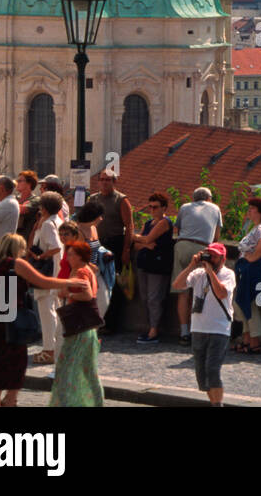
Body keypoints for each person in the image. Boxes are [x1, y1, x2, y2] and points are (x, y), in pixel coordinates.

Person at [0, 233, 86, 406]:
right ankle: (10, 400)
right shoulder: (16, 264)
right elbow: (43, 281)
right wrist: (68, 281)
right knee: (17, 362)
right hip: (11, 320)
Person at [171, 242, 235, 406]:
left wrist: (210, 271)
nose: (211, 258)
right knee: (202, 375)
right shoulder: (198, 274)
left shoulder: (228, 274)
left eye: (214, 256)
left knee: (213, 371)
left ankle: (217, 405)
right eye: (209, 255)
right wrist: (192, 265)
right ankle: (214, 404)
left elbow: (221, 293)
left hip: (219, 329)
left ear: (222, 258)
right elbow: (177, 285)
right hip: (198, 328)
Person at [50, 240, 104, 406]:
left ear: (80, 256)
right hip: (88, 325)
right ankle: (95, 402)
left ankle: (66, 403)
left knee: (66, 367)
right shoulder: (89, 269)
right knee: (88, 369)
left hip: (79, 325)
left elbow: (87, 296)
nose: (67, 258)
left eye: (71, 254)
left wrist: (67, 294)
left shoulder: (80, 272)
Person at [172, 187, 223, 345]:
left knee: (182, 291)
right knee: (201, 290)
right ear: (209, 198)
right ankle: (200, 331)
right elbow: (216, 237)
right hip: (202, 248)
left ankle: (184, 332)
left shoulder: (184, 207)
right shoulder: (215, 208)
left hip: (182, 245)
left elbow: (178, 229)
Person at [88, 169, 134, 333]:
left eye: (108, 180)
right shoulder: (93, 199)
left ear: (114, 182)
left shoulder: (121, 200)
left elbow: (129, 226)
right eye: (102, 179)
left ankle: (112, 323)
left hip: (115, 244)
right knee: (96, 284)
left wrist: (126, 249)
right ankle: (97, 320)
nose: (105, 182)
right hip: (97, 245)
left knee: (112, 284)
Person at [132, 192, 175, 344]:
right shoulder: (148, 223)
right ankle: (149, 327)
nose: (152, 210)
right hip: (144, 263)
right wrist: (145, 243)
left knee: (154, 298)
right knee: (144, 297)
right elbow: (135, 242)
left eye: (155, 207)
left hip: (158, 265)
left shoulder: (164, 222)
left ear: (164, 208)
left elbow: (147, 238)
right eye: (150, 207)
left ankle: (154, 330)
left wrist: (142, 240)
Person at [29, 192, 65, 366]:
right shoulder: (55, 221)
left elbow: (56, 247)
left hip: (47, 272)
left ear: (43, 207)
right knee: (53, 310)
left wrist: (40, 257)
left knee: (46, 311)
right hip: (55, 272)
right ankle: (54, 347)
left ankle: (49, 349)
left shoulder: (48, 225)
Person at [234, 197, 261, 354]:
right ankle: (247, 340)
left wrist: (251, 258)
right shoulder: (259, 227)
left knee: (248, 304)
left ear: (260, 212)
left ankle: (254, 342)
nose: (249, 211)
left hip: (255, 271)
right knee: (244, 303)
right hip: (254, 270)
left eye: (252, 208)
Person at [15, 171, 40, 241]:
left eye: (20, 181)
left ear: (29, 183)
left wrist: (8, 203)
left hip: (26, 239)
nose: (17, 183)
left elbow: (22, 210)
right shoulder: (15, 199)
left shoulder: (36, 200)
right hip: (13, 238)